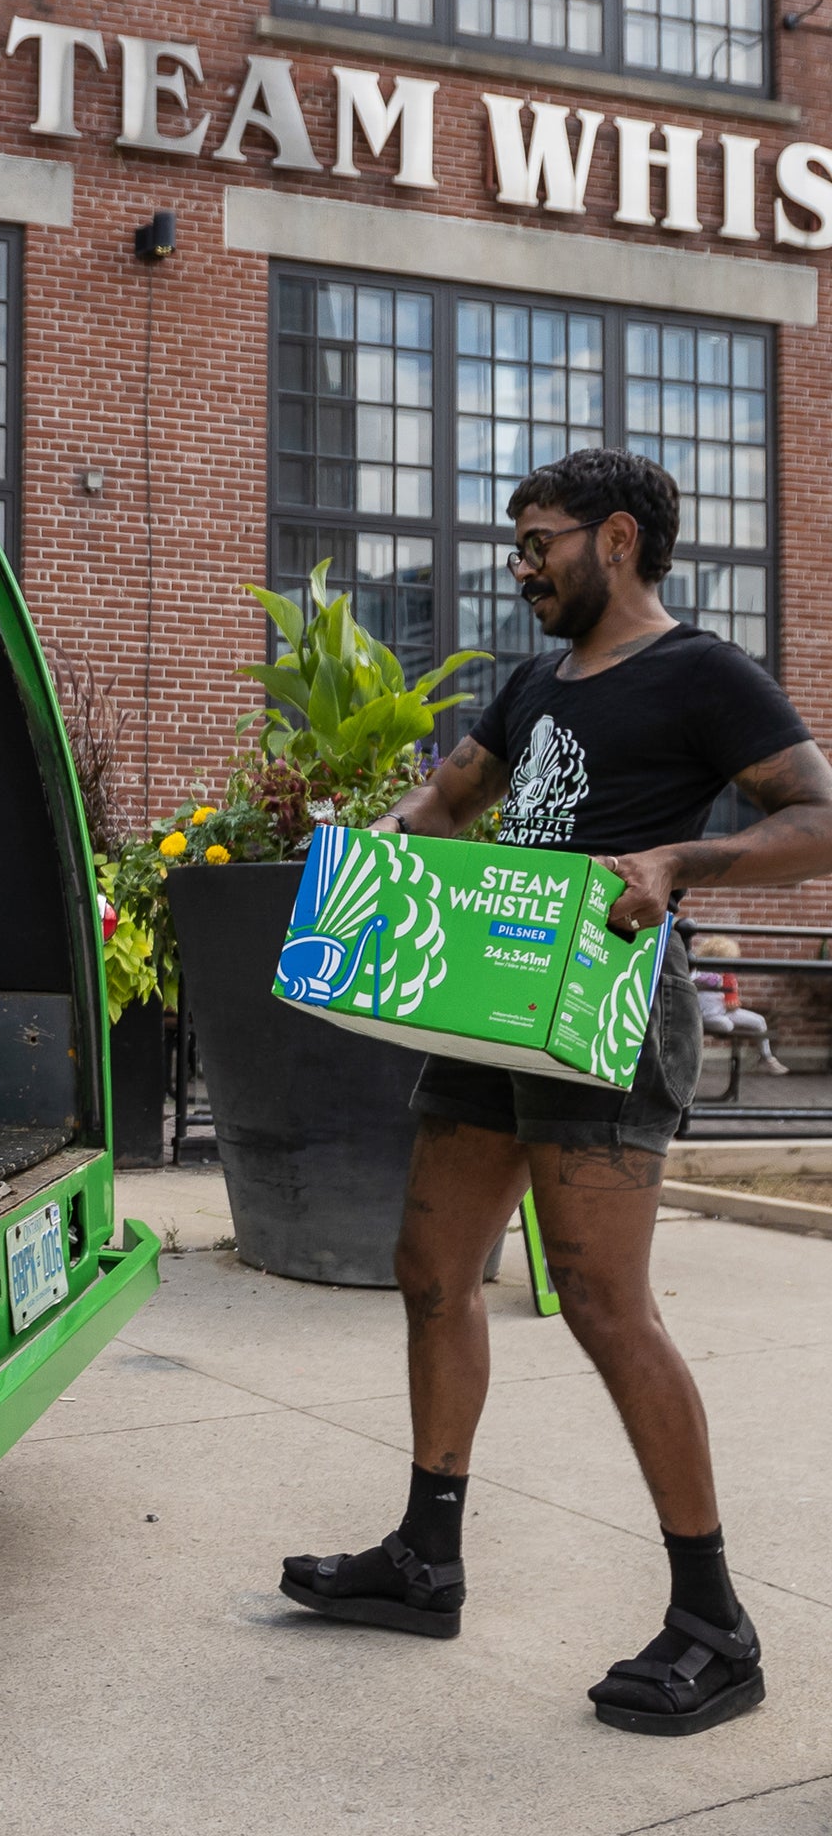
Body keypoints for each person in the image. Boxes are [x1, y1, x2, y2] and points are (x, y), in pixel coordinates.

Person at [280, 446, 832, 1736]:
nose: (519, 564)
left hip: (606, 1008)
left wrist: (678, 859)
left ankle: (713, 1621)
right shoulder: (532, 682)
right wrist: (364, 847)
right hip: (488, 997)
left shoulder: (701, 674)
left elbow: (815, 818)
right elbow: (449, 796)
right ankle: (425, 1559)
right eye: (517, 543)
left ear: (618, 540)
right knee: (430, 1268)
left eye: (538, 541)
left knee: (599, 1302)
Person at [691, 933, 789, 1075]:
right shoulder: (700, 971)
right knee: (726, 1025)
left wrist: (733, 1001)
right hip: (707, 1015)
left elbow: (731, 996)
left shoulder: (728, 975)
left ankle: (767, 1058)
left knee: (759, 1021)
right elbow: (691, 978)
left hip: (725, 1011)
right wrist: (709, 979)